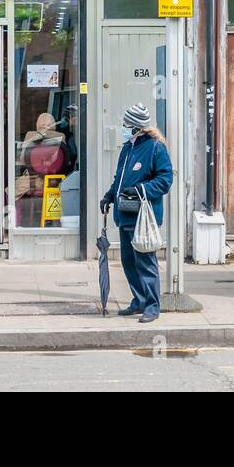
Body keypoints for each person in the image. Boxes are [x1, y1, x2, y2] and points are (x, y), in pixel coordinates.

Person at [100, 103, 173, 323]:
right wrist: (109, 196)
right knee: (128, 261)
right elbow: (119, 179)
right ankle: (139, 300)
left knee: (145, 262)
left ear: (136, 127)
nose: (122, 127)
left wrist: (141, 189)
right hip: (125, 215)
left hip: (143, 217)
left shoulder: (155, 148)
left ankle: (152, 305)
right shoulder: (127, 147)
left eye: (126, 124)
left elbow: (165, 180)